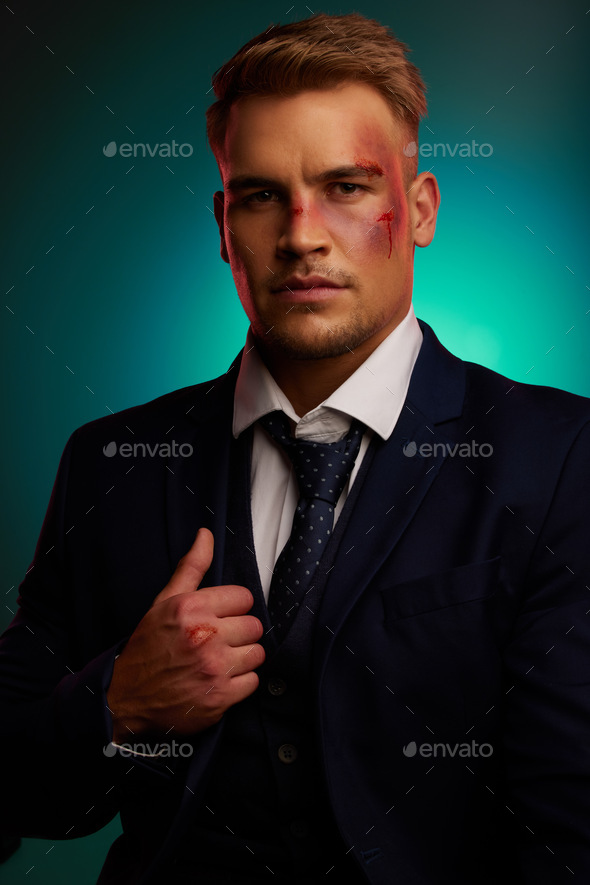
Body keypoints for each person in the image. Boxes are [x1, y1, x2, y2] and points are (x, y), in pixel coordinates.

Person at [1, 11, 589, 885]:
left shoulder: (562, 457)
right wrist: (119, 703)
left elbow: (573, 833)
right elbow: (19, 795)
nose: (302, 235)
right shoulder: (111, 461)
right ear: (223, 221)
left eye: (347, 187)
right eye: (262, 194)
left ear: (418, 209)